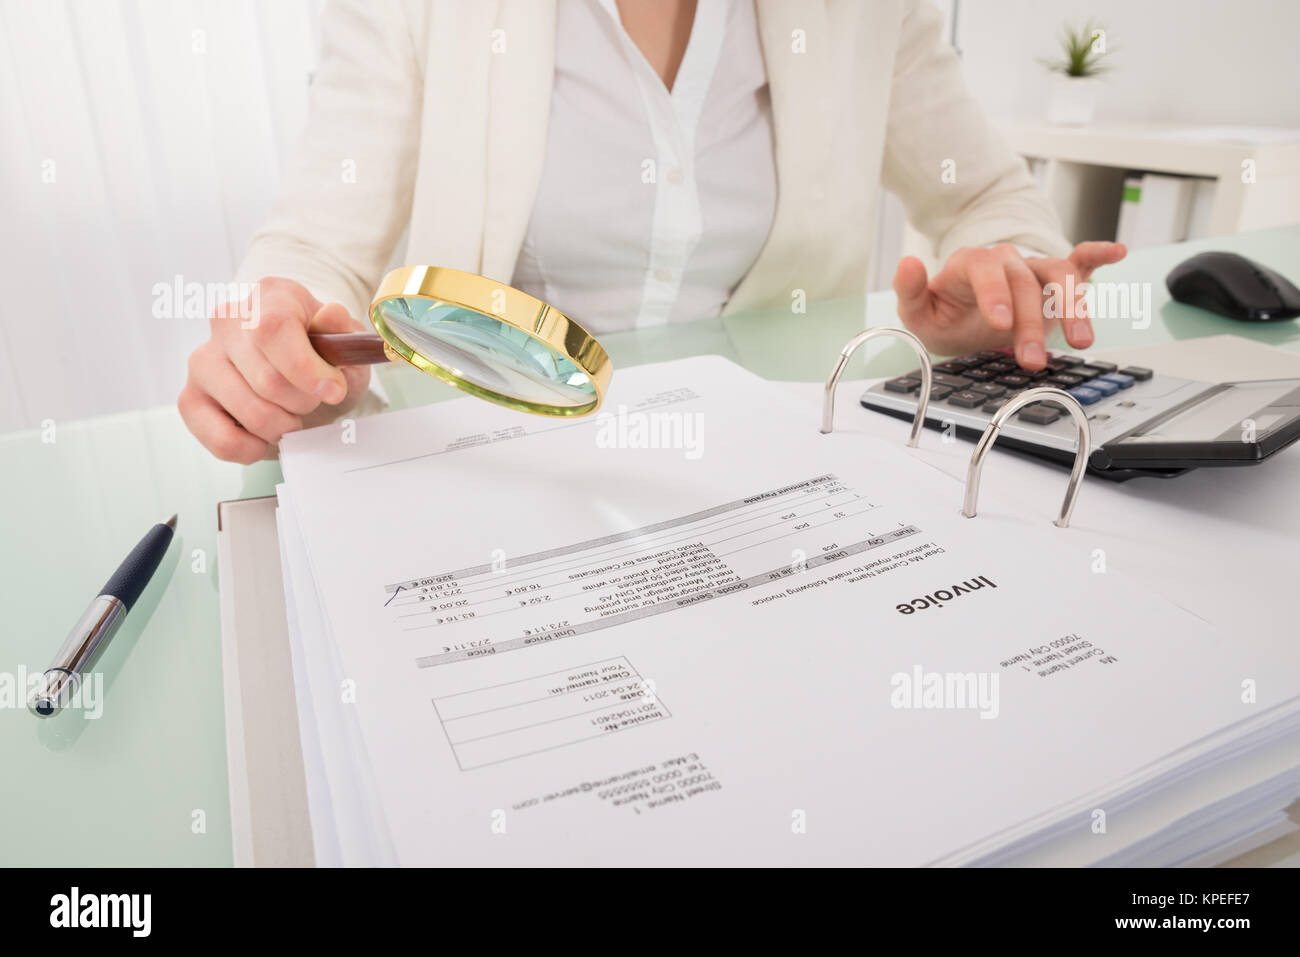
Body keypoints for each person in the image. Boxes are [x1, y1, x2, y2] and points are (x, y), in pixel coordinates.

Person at [179, 0, 1125, 463]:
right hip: (493, 478)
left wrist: (1002, 276)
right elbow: (316, 245)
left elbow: (992, 195)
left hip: (784, 468)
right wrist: (273, 333)